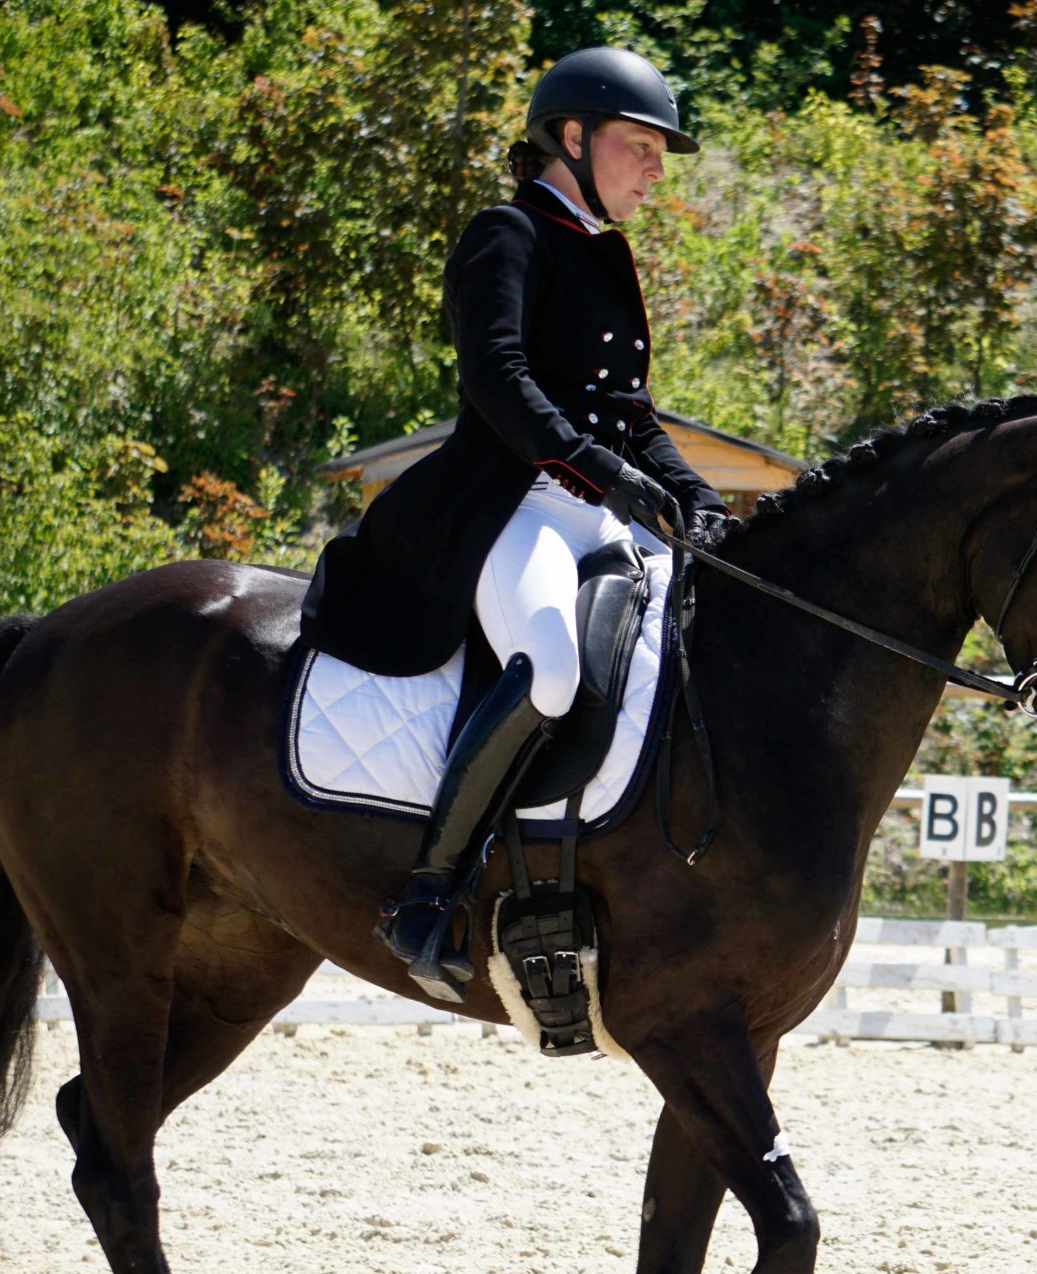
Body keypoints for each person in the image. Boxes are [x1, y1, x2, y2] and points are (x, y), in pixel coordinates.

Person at [297, 46, 728, 1002]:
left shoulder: (603, 248)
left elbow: (629, 408)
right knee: (552, 668)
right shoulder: (508, 234)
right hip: (513, 509)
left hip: (596, 506)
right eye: (641, 145)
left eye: (662, 150)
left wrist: (689, 490)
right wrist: (598, 468)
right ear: (571, 138)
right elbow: (497, 379)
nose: (658, 166)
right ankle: (428, 894)